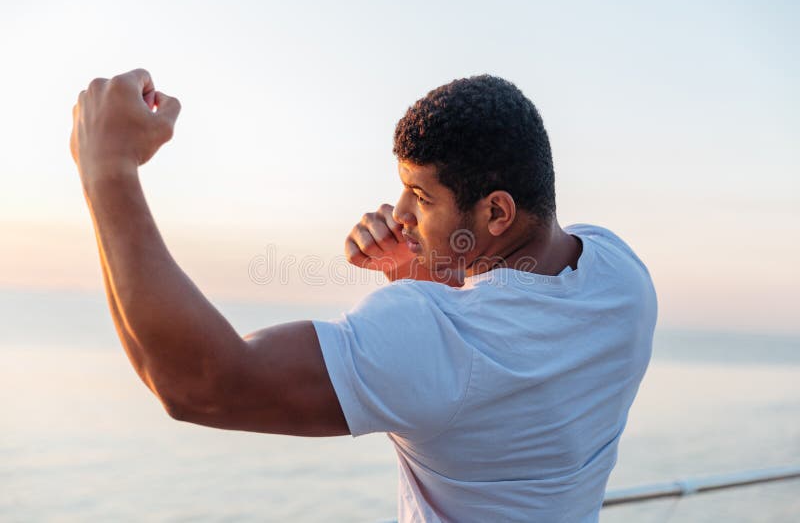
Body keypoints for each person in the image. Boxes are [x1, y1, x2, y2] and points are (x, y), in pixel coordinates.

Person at [70, 70, 657, 522]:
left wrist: (107, 167)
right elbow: (503, 328)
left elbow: (201, 384)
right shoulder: (621, 274)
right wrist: (414, 271)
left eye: (420, 196)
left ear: (497, 212)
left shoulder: (434, 336)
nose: (398, 214)